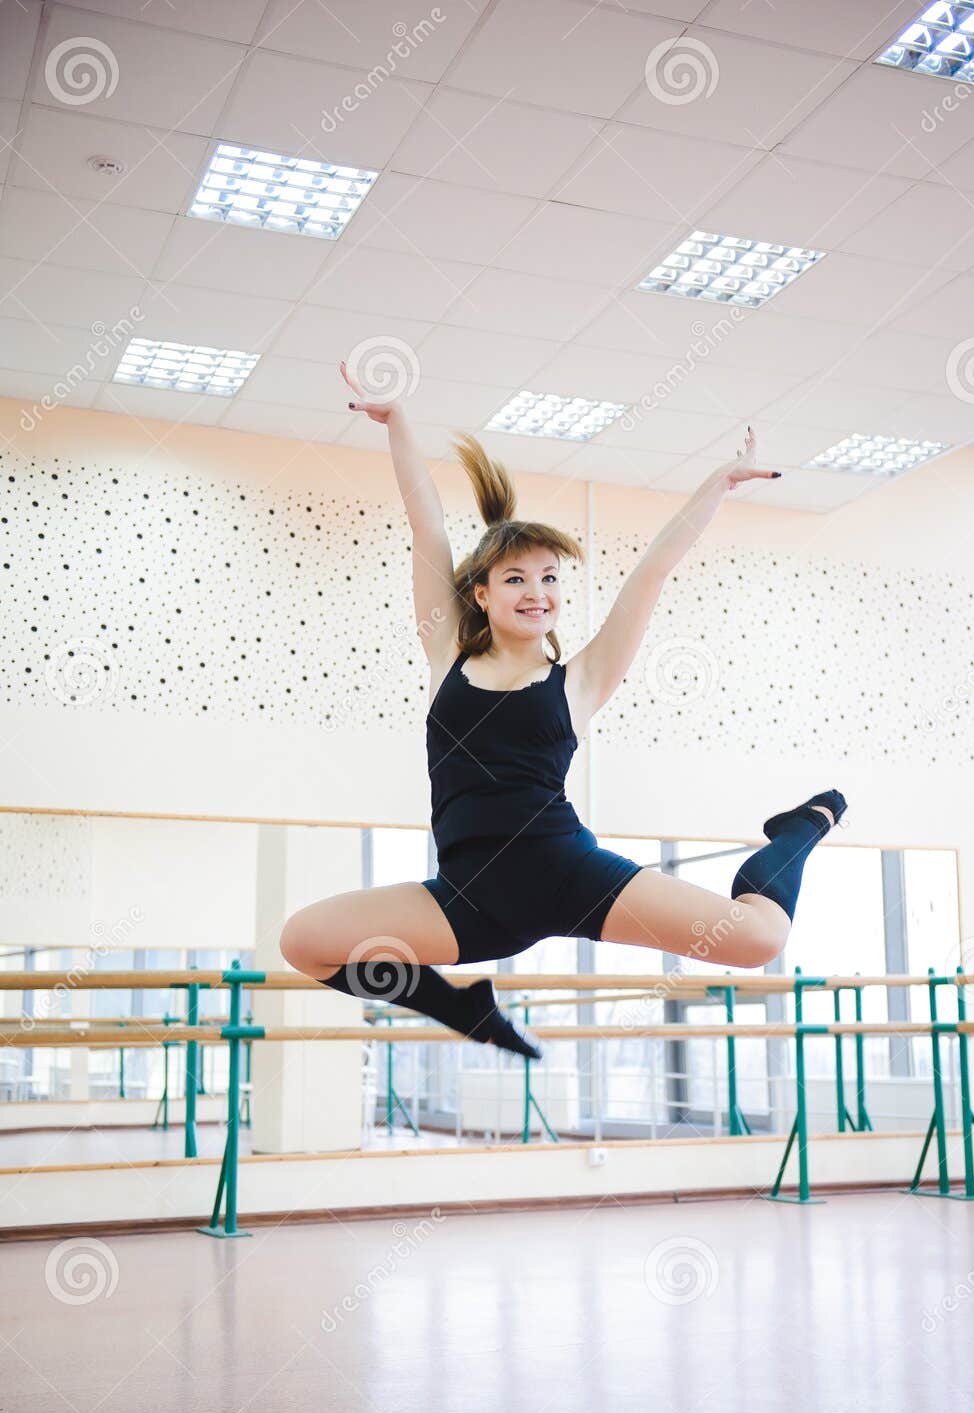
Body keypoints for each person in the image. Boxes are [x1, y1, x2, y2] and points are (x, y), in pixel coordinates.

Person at [279, 367, 846, 1059]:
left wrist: (717, 484)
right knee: (305, 942)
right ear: (481, 593)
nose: (536, 592)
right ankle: (458, 1005)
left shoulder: (579, 679)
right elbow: (422, 518)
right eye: (516, 578)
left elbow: (652, 571)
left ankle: (799, 828)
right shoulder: (444, 652)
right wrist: (399, 423)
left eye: (548, 578)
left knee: (758, 940)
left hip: (569, 877)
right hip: (468, 898)